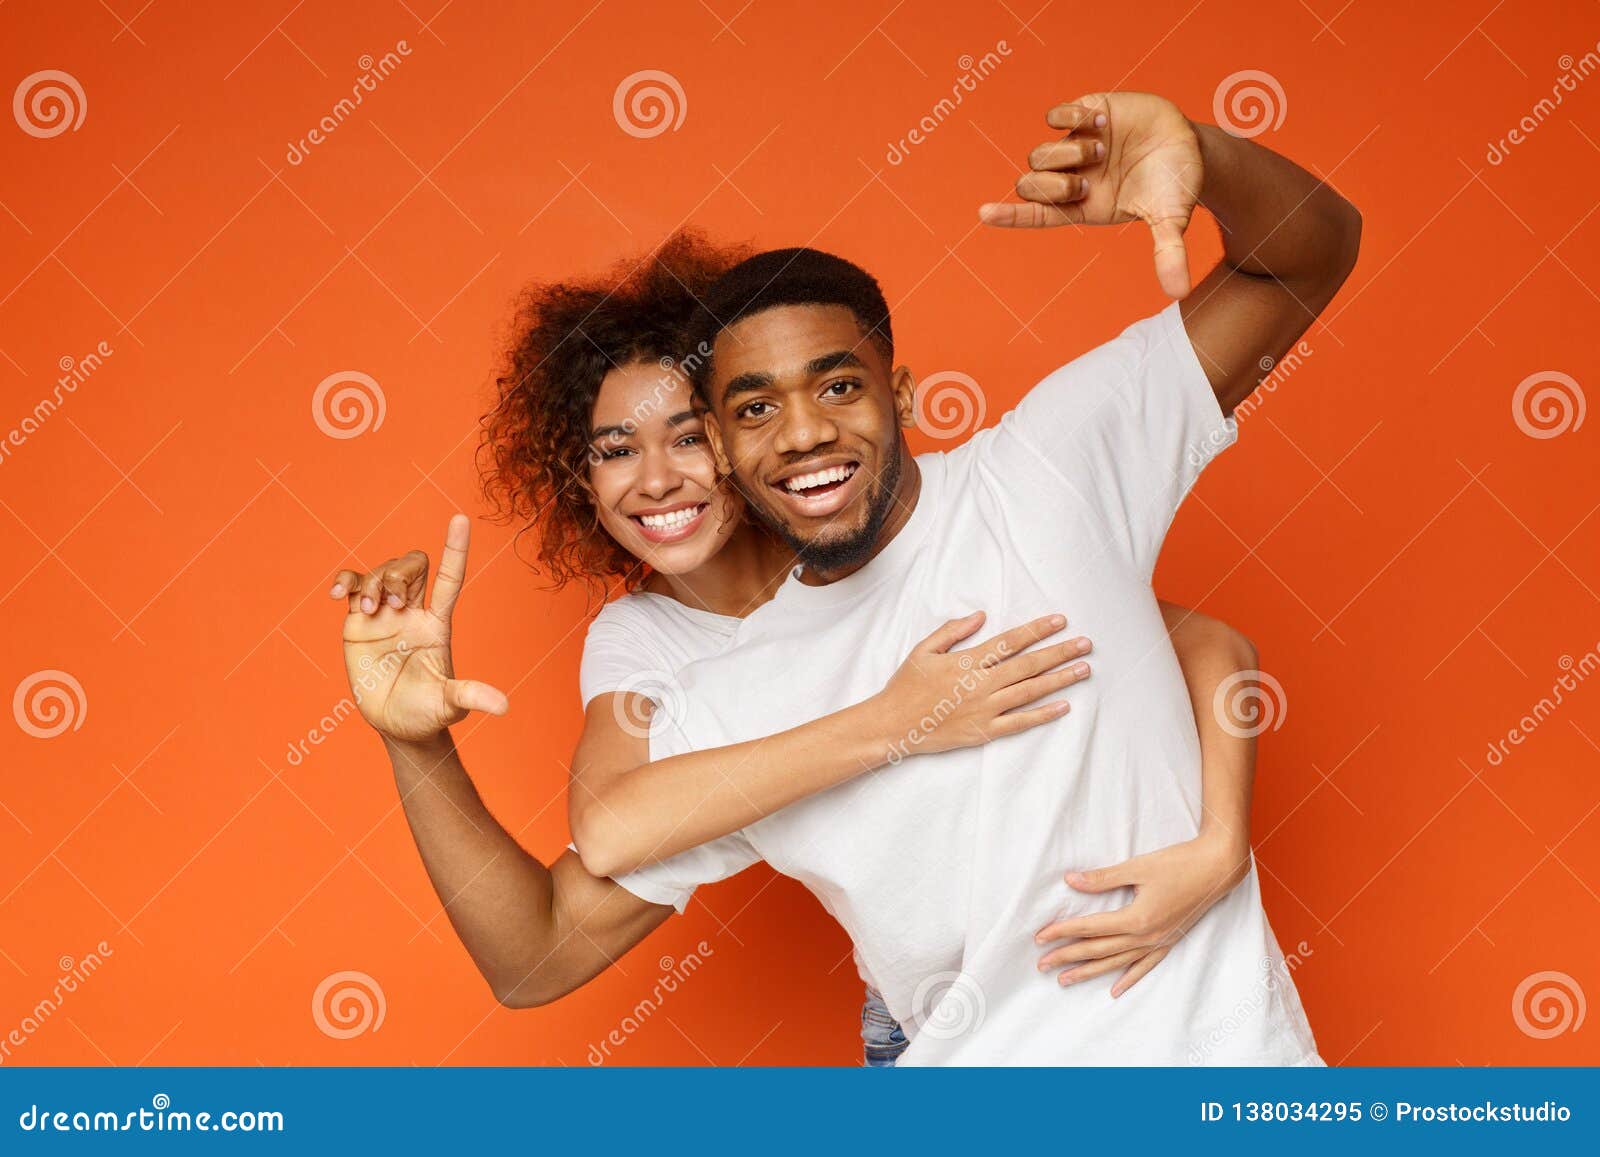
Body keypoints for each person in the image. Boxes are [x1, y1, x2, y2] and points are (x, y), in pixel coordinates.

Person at [329, 230, 1266, 1062]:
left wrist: (1220, 840)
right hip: (948, 1018)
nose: (658, 481)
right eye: (616, 450)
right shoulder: (664, 653)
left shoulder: (884, 518)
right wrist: (896, 721)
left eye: (687, 436)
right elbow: (600, 844)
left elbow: (1196, 642)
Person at [586, 89, 1360, 1064]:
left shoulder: (1050, 464)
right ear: (721, 453)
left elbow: (1310, 251)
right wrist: (419, 745)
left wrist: (1205, 158)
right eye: (753, 410)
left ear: (898, 391)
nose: (806, 431)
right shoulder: (737, 690)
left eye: (837, 384)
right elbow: (585, 874)